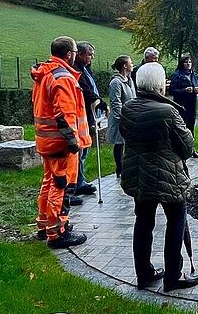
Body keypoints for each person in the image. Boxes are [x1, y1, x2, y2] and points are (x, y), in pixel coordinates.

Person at [119, 62, 198, 291]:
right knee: (176, 221)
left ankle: (144, 274)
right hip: (169, 177)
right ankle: (173, 276)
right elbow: (187, 147)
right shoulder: (168, 112)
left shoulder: (128, 108)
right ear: (159, 85)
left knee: (143, 222)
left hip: (139, 175)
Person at [30, 36, 91, 249]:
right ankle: (58, 233)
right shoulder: (63, 77)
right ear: (69, 54)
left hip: (47, 141)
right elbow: (64, 115)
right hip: (61, 144)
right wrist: (73, 142)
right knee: (61, 186)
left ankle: (44, 225)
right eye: (74, 52)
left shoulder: (45, 74)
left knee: (48, 182)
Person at [71, 41, 106, 197]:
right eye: (89, 54)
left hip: (88, 114)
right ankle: (76, 183)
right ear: (79, 54)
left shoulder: (85, 69)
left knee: (84, 148)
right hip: (82, 113)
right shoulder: (76, 70)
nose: (92, 57)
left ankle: (80, 180)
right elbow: (85, 90)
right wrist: (99, 102)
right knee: (80, 149)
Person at [169, 54, 198, 158]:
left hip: (192, 105)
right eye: (186, 62)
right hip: (181, 105)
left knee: (191, 127)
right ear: (182, 64)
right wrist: (184, 90)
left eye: (189, 62)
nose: (188, 64)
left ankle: (191, 149)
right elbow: (172, 90)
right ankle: (179, 150)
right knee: (180, 127)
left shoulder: (195, 75)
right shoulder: (177, 75)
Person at [108, 55, 136, 177]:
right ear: (125, 66)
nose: (132, 64)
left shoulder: (129, 80)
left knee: (128, 143)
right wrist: (122, 117)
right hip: (121, 118)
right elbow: (115, 102)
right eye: (130, 63)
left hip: (130, 117)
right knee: (119, 143)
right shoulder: (116, 82)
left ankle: (128, 166)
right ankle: (120, 168)